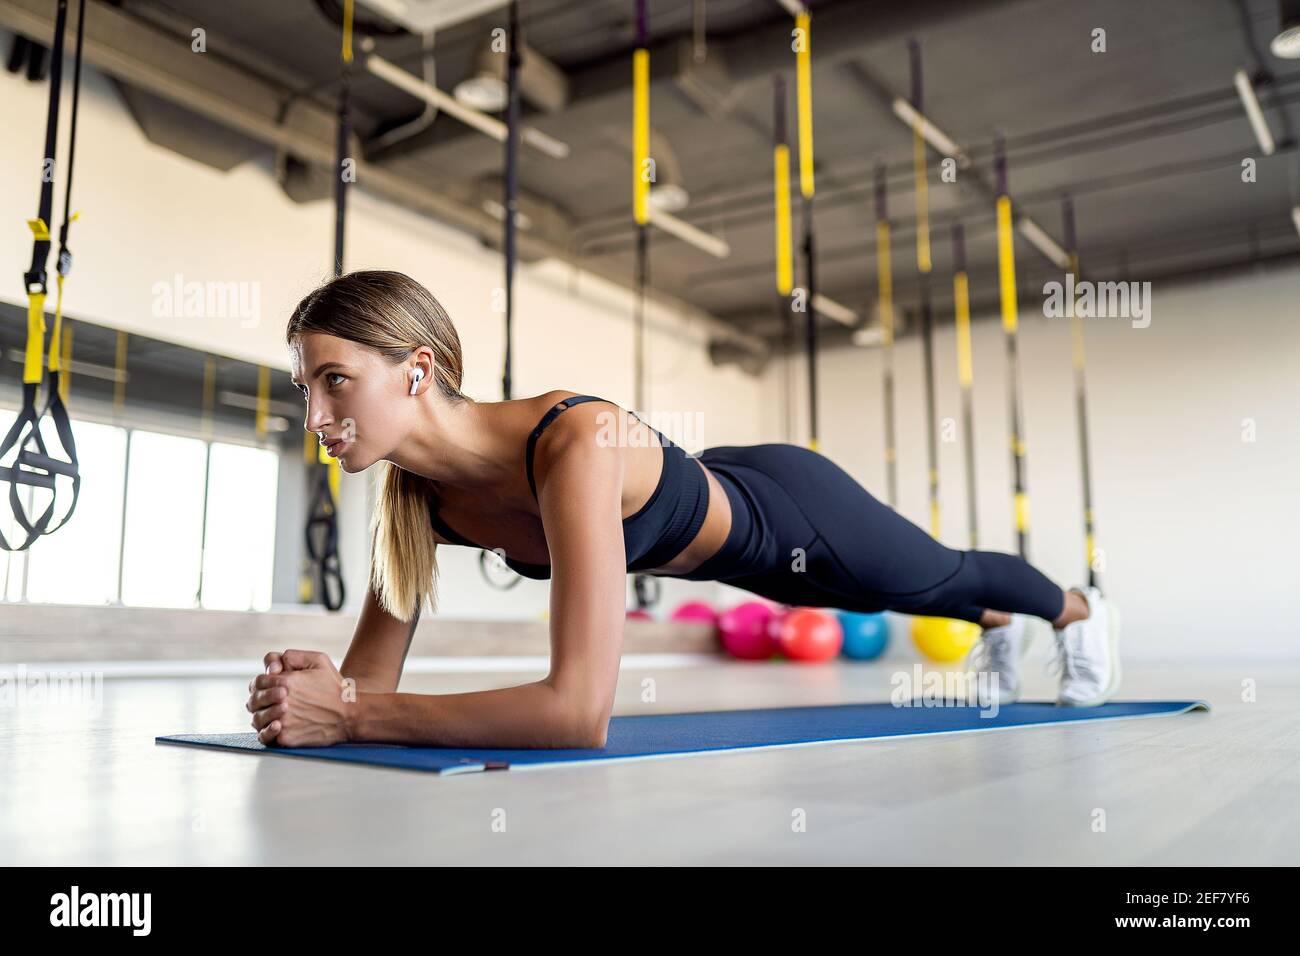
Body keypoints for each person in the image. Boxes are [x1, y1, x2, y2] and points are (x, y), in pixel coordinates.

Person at [246, 270, 1121, 749]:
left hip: (783, 512)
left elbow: (576, 713)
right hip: (727, 547)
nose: (316, 418)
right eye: (305, 388)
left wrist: (352, 713)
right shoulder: (413, 505)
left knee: (932, 577)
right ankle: (997, 620)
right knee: (878, 599)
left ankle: (1077, 609)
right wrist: (314, 695)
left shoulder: (571, 441)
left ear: (418, 369)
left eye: (336, 381)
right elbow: (366, 692)